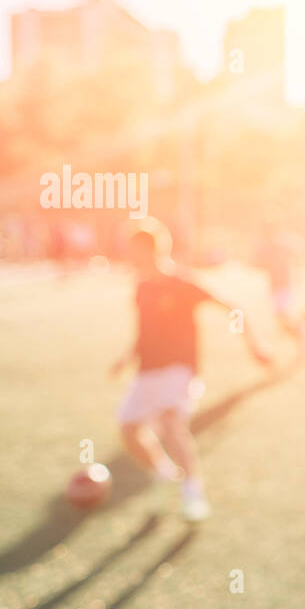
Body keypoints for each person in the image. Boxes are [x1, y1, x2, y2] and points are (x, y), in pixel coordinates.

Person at [111, 218, 272, 521]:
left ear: (152, 250)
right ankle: (164, 472)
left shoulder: (184, 283)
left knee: (171, 423)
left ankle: (192, 492)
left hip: (180, 369)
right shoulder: (141, 288)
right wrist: (125, 358)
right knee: (129, 431)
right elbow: (143, 333)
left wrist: (255, 345)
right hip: (148, 370)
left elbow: (233, 308)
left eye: (134, 250)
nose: (129, 256)